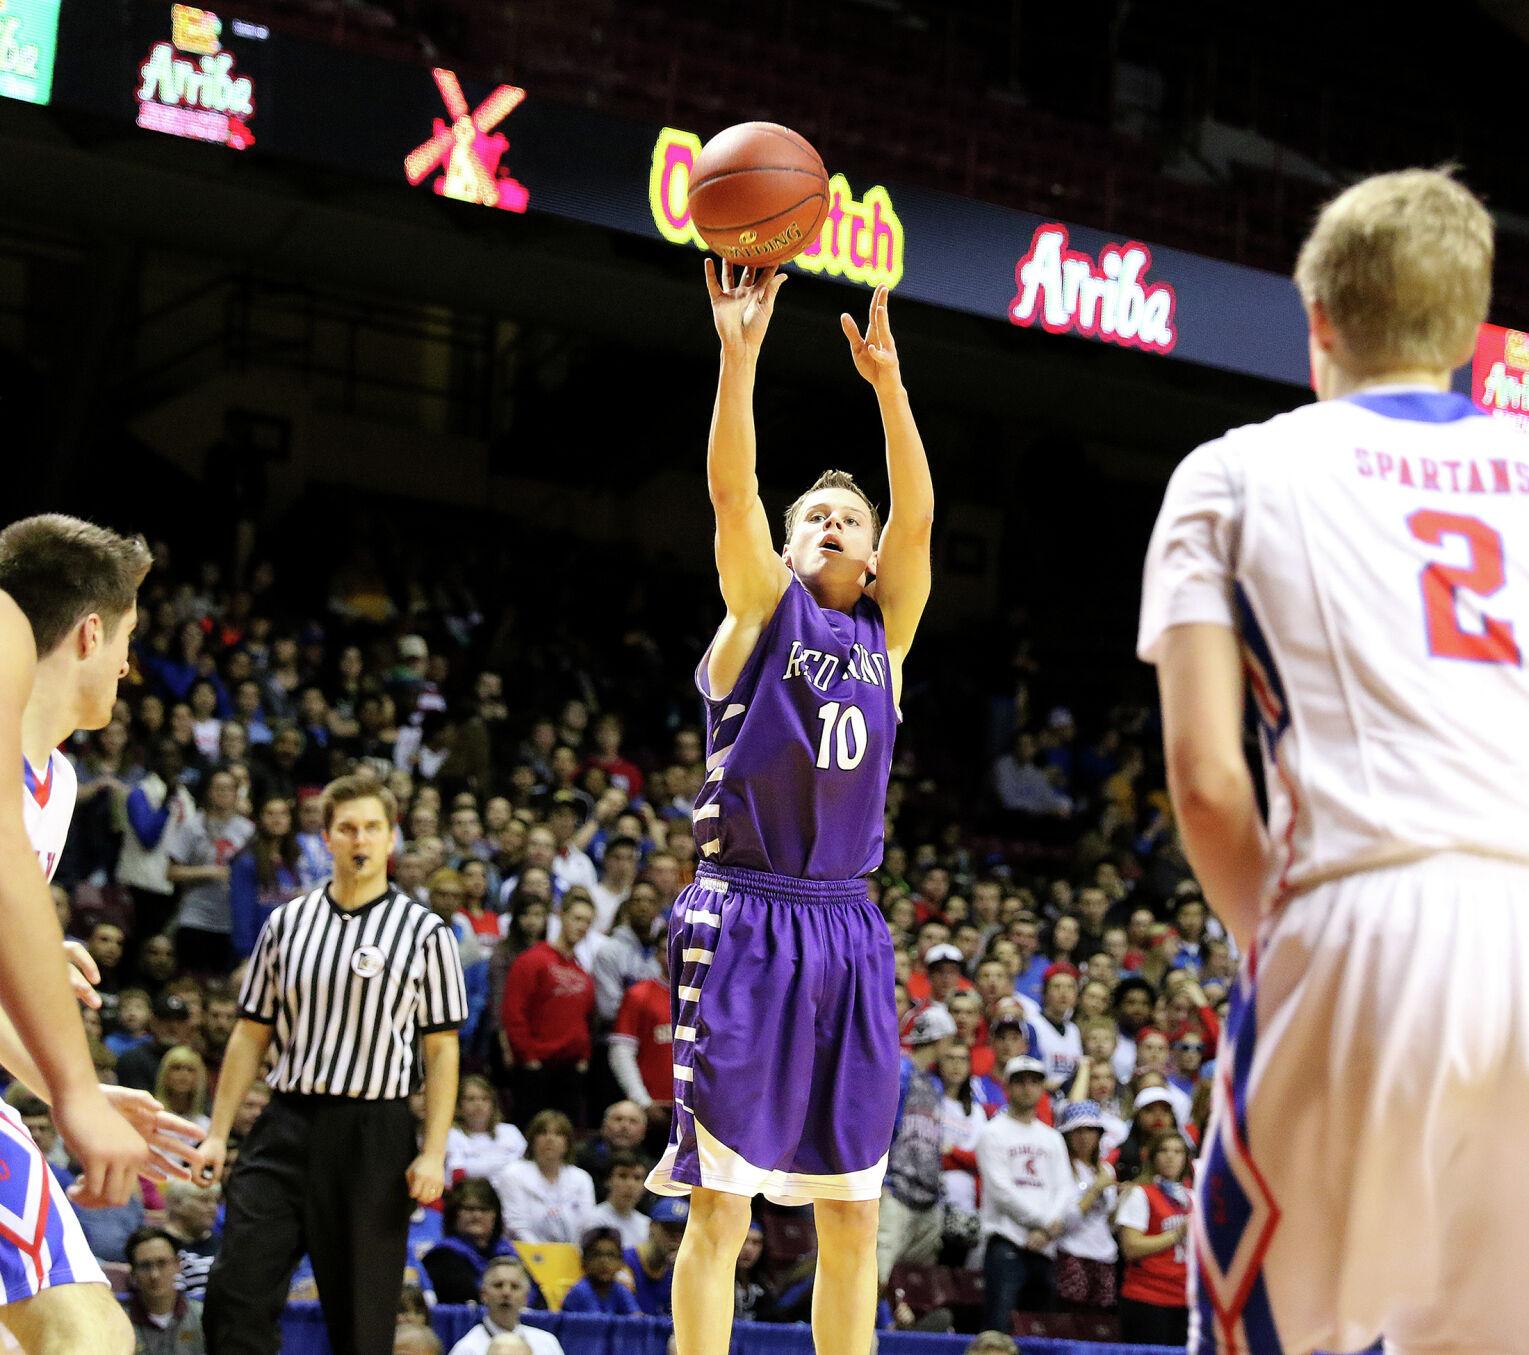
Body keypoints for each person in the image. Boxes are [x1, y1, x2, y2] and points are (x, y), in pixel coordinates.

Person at [1138, 167, 1529, 1353]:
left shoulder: (1229, 472)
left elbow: (1206, 780)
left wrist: (1278, 945)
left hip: (1361, 912)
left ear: (1315, 320)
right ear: (1467, 329)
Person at [649, 264, 934, 1355]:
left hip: (848, 926)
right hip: (746, 914)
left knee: (851, 1213)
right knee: (720, 1206)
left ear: (871, 554)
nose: (830, 523)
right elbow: (732, 492)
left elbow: (920, 516)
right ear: (785, 544)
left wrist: (889, 387)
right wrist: (739, 353)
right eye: (812, 514)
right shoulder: (761, 611)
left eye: (848, 518)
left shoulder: (885, 638)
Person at [0, 515, 208, 1355]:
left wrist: (58, 1080)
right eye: (126, 636)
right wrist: (73, 1088)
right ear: (91, 632)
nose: (128, 664)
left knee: (89, 1335)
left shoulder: (55, 783)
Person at [199, 773, 469, 1355]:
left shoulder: (425, 932)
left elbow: (442, 1048)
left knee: (362, 1318)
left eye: (372, 827)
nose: (359, 839)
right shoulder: (286, 923)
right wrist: (217, 1133)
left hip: (374, 1134)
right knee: (235, 1289)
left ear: (392, 837)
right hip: (286, 1122)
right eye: (347, 828)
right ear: (326, 838)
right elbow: (249, 1032)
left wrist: (433, 1150)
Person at [976, 1056, 1073, 1332]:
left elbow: (1065, 1187)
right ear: (1007, 1086)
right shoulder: (992, 1132)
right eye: (1020, 1082)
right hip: (1006, 1241)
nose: (1027, 1088)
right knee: (999, 1325)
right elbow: (1000, 1190)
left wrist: (1047, 1229)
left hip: (1045, 1247)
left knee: (1041, 1330)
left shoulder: (1052, 1137)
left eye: (1034, 1082)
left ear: (1042, 1087)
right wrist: (1045, 1223)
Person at [500, 896, 595, 1128]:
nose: (581, 926)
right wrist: (528, 1057)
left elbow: (586, 1018)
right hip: (536, 1068)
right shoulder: (532, 960)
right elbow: (513, 1012)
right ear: (561, 916)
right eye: (577, 918)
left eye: (587, 922)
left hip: (570, 1070)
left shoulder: (581, 969)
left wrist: (583, 1057)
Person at [875, 1005, 951, 1287]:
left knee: (915, 1282)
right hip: (896, 1187)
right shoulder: (900, 1071)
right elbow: (883, 1127)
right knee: (878, 1272)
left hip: (928, 1195)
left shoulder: (934, 1084)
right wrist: (880, 1179)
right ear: (940, 1039)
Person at [1116, 1130, 1192, 1345]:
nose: (1170, 1157)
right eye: (1164, 1151)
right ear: (1152, 1157)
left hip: (1184, 1299)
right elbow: (1131, 1247)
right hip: (1147, 1297)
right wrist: (1177, 1234)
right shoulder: (1140, 1194)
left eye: (1177, 1152)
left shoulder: (1192, 1198)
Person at [490, 1109, 595, 1244]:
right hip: (524, 1250)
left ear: (567, 1143)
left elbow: (587, 1225)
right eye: (543, 1133)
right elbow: (515, 1225)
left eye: (558, 1134)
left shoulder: (581, 1178)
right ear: (532, 1140)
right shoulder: (513, 1174)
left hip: (572, 1252)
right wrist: (543, 1253)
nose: (550, 1139)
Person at [1052, 1100, 1118, 1314]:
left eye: (1090, 1130)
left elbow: (1110, 1220)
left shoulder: (1106, 1170)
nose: (1084, 1137)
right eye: (1077, 1131)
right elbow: (1065, 1219)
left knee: (1101, 1321)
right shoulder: (1061, 1167)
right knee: (1070, 1318)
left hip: (1104, 1254)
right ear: (1067, 1134)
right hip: (1071, 1251)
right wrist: (1095, 1190)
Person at [421, 1178, 517, 1304]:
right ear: (454, 1214)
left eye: (484, 1209)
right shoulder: (441, 1257)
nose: (477, 1215)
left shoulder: (508, 1253)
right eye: (469, 1209)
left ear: (495, 1215)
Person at [445, 1256, 564, 1355]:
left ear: (526, 1297)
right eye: (498, 1285)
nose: (506, 1293)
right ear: (483, 1294)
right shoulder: (467, 1349)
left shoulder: (546, 1343)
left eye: (514, 1286)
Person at [121, 1227, 206, 1355]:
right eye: (145, 1266)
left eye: (162, 1263)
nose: (154, 1275)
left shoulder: (201, 1317)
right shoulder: (119, 1321)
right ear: (133, 1273)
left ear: (178, 1265)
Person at [444, 1075, 527, 1184]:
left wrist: (477, 1166)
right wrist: (506, 1163)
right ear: (458, 1106)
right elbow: (457, 1173)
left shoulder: (510, 1131)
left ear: (493, 1104)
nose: (479, 1104)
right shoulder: (451, 1135)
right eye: (471, 1099)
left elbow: (527, 1166)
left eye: (485, 1099)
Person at [623, 1197, 687, 1317]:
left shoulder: (680, 1270)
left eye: (683, 1231)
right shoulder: (625, 1262)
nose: (676, 1238)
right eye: (670, 1228)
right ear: (651, 1227)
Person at [560, 1227, 642, 1316]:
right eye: (596, 1255)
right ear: (584, 1262)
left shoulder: (620, 1290)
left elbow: (637, 1319)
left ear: (621, 1263)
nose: (604, 1262)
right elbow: (597, 1323)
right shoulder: (580, 1291)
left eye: (611, 1255)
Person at [587, 1151, 653, 1250]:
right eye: (623, 1176)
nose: (630, 1184)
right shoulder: (592, 1219)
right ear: (608, 1181)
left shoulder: (647, 1225)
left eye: (637, 1178)